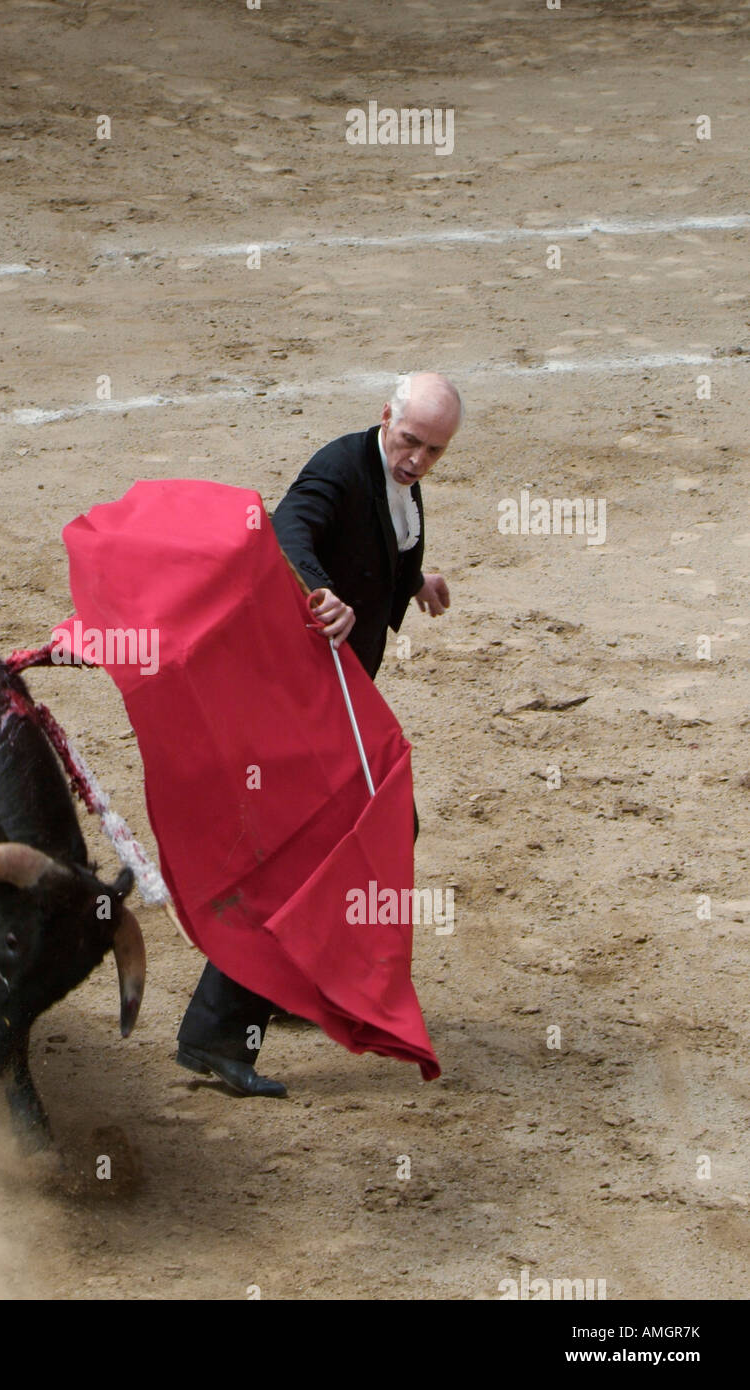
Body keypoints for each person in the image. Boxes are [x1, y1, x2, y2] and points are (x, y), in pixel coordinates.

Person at [175, 371, 463, 1097]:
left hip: (337, 702)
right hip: (296, 705)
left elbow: (383, 547)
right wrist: (318, 590)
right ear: (384, 418)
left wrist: (415, 581)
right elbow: (286, 530)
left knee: (367, 834)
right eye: (410, 442)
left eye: (434, 451)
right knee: (316, 851)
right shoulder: (338, 466)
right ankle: (219, 1031)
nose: (418, 461)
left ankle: (289, 982)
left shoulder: (401, 481)